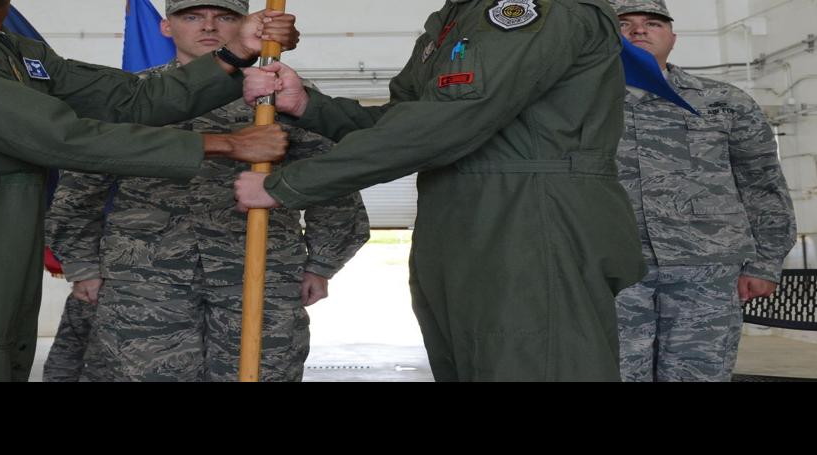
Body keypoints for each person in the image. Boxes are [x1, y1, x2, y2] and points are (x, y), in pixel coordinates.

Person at [0, 0, 298, 381]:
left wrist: (236, 52)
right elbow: (52, 135)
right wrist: (223, 143)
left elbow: (130, 100)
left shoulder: (11, 47)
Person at [235, 0, 645, 382]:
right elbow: (406, 120)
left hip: (530, 220)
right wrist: (309, 106)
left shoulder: (539, 11)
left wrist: (287, 185)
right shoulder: (456, 17)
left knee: (535, 363)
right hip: (463, 220)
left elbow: (452, 120)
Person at [44, 0, 370, 383]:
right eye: (192, 17)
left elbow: (330, 181)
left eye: (226, 17)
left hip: (259, 269)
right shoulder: (133, 96)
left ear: (248, 26)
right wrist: (81, 264)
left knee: (262, 374)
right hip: (143, 277)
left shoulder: (276, 91)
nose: (209, 27)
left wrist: (322, 262)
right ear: (168, 27)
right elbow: (81, 186)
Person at [612, 0, 796, 381]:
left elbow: (762, 183)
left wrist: (765, 262)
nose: (639, 30)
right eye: (624, 24)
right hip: (614, 269)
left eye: (652, 23)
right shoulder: (578, 104)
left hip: (706, 272)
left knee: (698, 375)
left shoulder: (725, 103)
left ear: (672, 37)